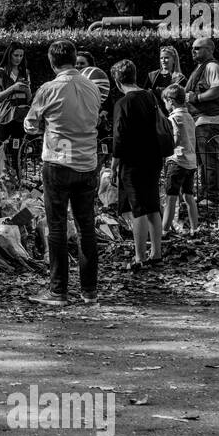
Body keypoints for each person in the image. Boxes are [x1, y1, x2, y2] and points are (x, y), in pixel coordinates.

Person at [24, 40, 102, 306]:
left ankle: (58, 291)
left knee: (56, 226)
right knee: (86, 227)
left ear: (52, 61)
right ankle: (89, 291)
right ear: (74, 58)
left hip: (58, 161)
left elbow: (31, 125)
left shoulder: (48, 89)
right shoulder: (92, 87)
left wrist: (45, 124)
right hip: (87, 162)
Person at [110, 60, 166, 270]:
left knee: (138, 209)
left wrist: (114, 164)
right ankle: (156, 253)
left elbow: (119, 137)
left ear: (117, 81)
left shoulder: (123, 103)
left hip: (132, 160)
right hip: (153, 157)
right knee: (152, 205)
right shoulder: (150, 96)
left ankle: (139, 256)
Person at [184, 36, 219, 207]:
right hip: (199, 121)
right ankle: (205, 194)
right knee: (202, 161)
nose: (193, 51)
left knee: (209, 160)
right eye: (193, 48)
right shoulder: (201, 67)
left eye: (197, 48)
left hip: (208, 121)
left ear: (209, 50)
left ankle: (212, 196)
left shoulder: (212, 66)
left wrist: (197, 97)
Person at [161, 85, 199, 234]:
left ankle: (164, 230)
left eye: (165, 102)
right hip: (190, 162)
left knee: (170, 198)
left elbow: (174, 138)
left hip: (176, 161)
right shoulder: (190, 117)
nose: (165, 105)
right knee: (189, 196)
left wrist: (167, 149)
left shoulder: (173, 118)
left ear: (170, 101)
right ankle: (195, 228)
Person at [0, 42, 31, 176]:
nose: (18, 58)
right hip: (5, 116)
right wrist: (13, 88)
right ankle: (4, 178)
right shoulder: (0, 73)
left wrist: (28, 91)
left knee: (18, 150)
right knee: (5, 151)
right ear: (9, 55)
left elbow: (29, 98)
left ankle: (18, 177)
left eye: (21, 56)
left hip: (20, 115)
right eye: (15, 55)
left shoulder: (25, 72)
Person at [147, 45, 186, 111]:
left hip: (172, 114)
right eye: (161, 58)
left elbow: (183, 100)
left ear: (174, 59)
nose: (163, 60)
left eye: (166, 58)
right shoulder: (152, 76)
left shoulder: (180, 78)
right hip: (154, 113)